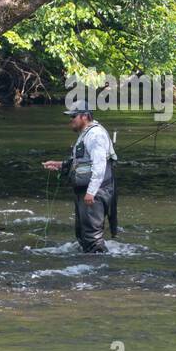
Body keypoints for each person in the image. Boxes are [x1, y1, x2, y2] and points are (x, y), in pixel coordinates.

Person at [42, 105, 117, 253]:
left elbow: (99, 165)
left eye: (73, 116)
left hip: (95, 191)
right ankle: (87, 264)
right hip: (85, 190)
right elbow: (83, 162)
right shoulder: (85, 134)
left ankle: (96, 269)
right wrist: (60, 165)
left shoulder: (96, 135)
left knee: (91, 235)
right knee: (82, 232)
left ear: (85, 116)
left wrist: (91, 192)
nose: (71, 120)